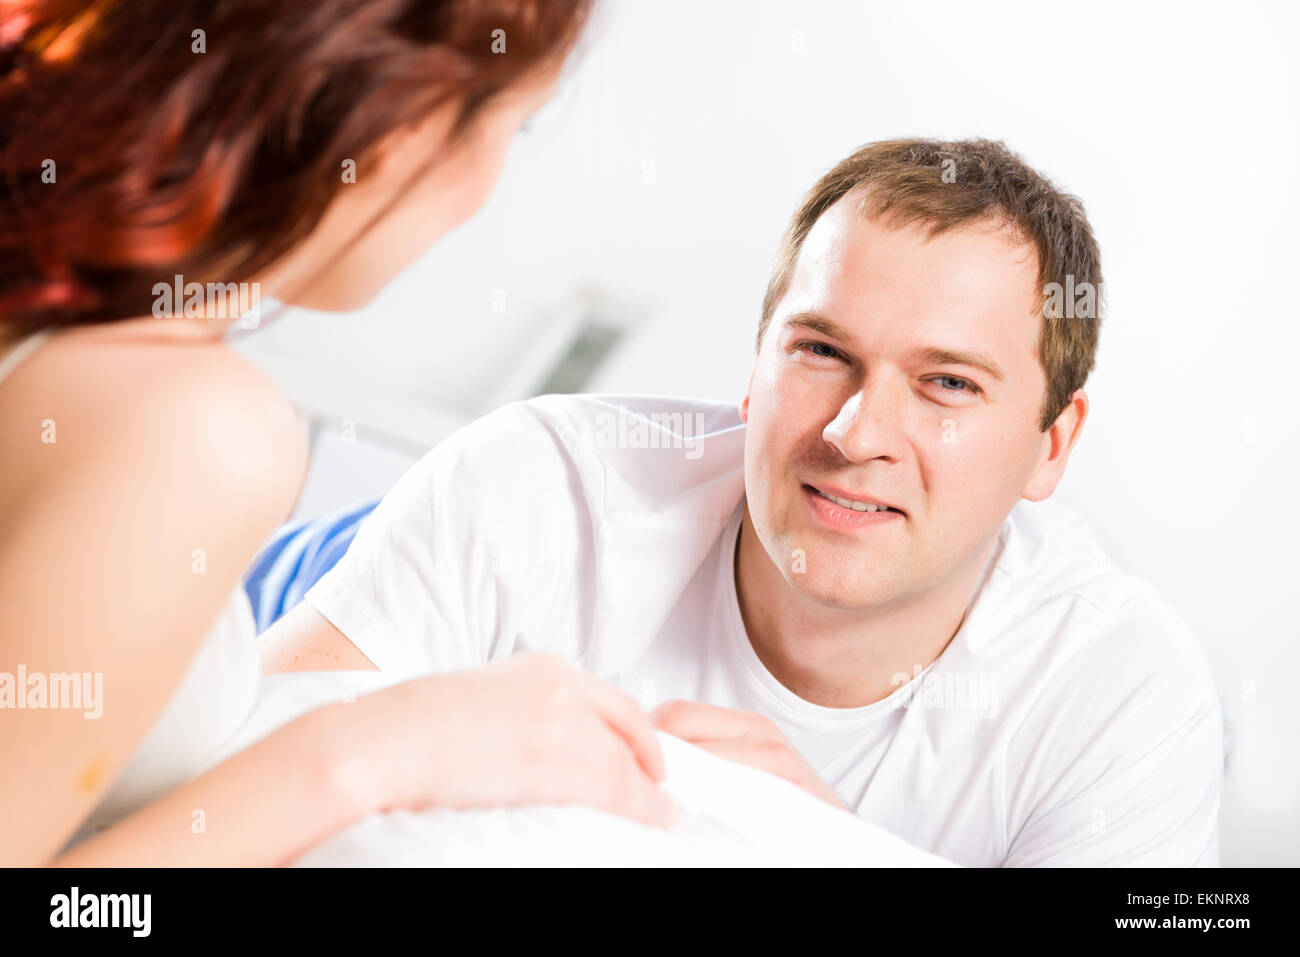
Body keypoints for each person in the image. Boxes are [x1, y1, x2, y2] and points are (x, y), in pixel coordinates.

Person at [264, 138, 1225, 866]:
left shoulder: (1128, 692)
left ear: (1050, 447)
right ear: (756, 369)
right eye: (821, 352)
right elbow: (232, 778)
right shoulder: (535, 484)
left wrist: (808, 846)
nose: (855, 433)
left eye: (948, 385)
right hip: (322, 588)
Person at [0, 0, 688, 868]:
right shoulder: (196, 426)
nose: (483, 194)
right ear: (406, 120)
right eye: (516, 125)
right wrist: (364, 753)